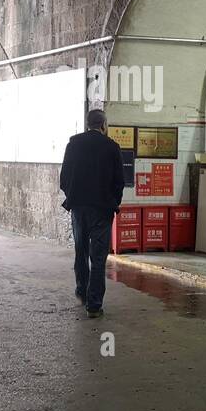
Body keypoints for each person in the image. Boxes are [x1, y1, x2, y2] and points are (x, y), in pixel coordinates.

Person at [59, 109, 125, 318]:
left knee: (81, 251)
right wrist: (113, 202)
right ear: (104, 124)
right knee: (98, 257)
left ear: (87, 124)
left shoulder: (73, 144)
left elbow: (64, 178)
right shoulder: (112, 147)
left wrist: (73, 196)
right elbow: (119, 182)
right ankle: (94, 305)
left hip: (79, 208)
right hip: (102, 210)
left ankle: (82, 291)